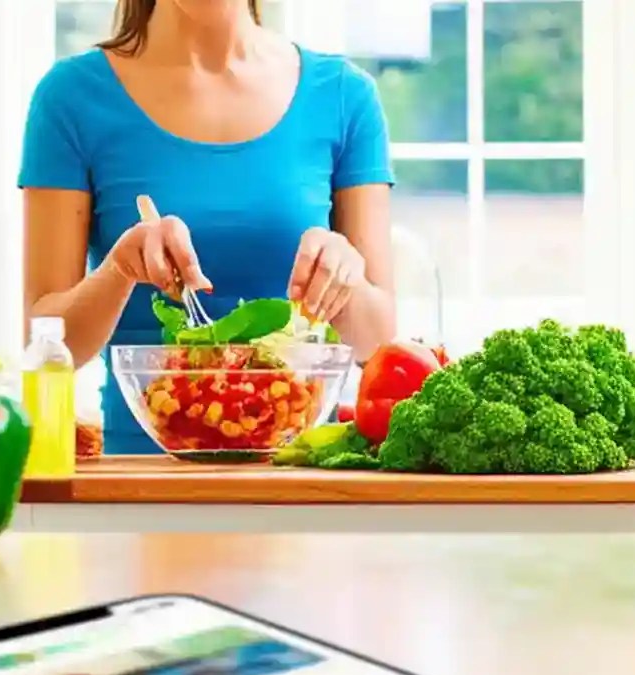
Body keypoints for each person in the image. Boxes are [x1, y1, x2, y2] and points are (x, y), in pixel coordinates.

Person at [20, 0, 396, 455]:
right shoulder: (71, 98)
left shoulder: (343, 96)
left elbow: (379, 346)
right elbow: (44, 342)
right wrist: (118, 271)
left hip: (304, 482)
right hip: (141, 485)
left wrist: (345, 280)